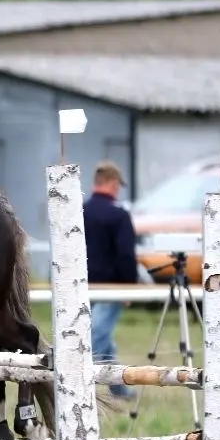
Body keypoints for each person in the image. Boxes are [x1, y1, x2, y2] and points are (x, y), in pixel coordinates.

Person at [82, 161, 138, 400]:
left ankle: (116, 386)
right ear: (114, 183)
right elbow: (125, 254)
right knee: (98, 336)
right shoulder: (118, 214)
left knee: (100, 333)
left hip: (81, 285)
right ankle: (77, 380)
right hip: (111, 286)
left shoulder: (79, 210)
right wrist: (129, 287)